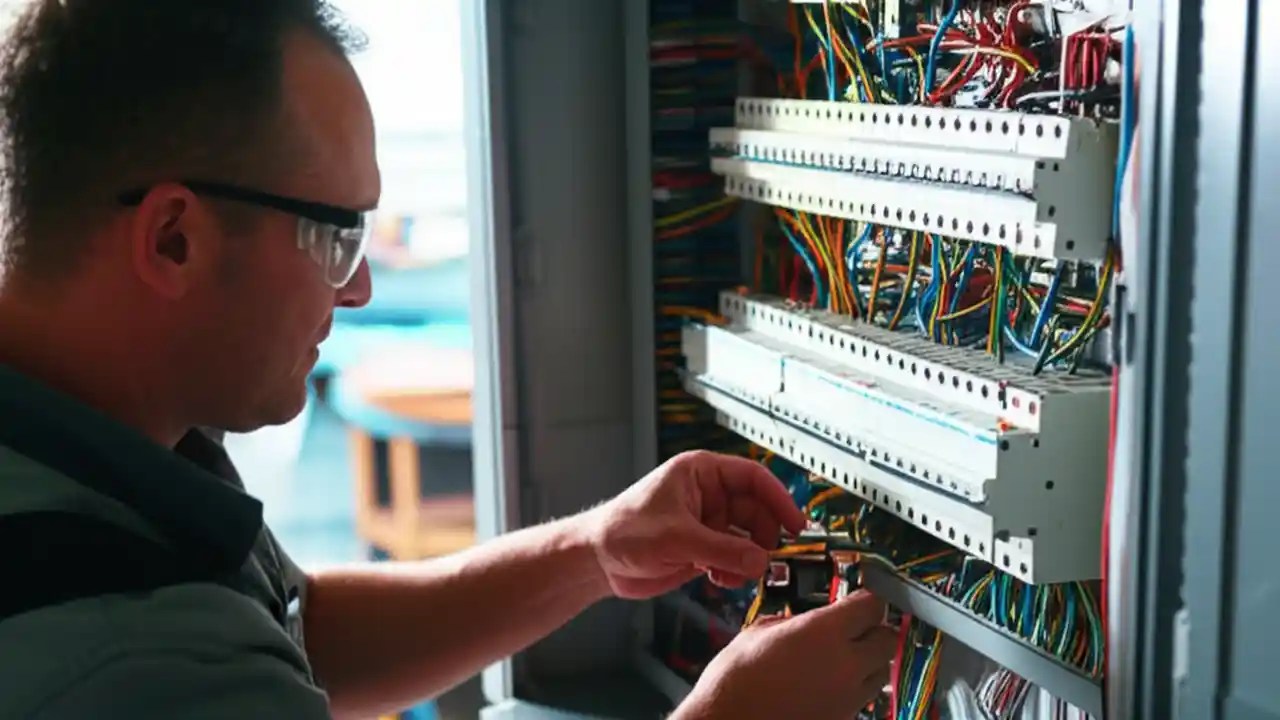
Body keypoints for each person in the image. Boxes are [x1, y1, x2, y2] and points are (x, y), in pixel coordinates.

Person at [0, 2, 894, 718]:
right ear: (175, 238)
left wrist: (593, 551)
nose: (356, 294)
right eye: (335, 235)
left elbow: (294, 637)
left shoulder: (100, 442)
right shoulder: (114, 654)